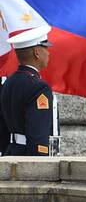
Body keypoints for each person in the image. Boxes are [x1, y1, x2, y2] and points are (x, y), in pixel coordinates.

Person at [0, 26, 59, 156]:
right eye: (45, 48)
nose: (48, 53)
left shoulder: (8, 83)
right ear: (37, 52)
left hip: (10, 154)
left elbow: (2, 129)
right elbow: (37, 135)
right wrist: (40, 163)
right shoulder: (39, 88)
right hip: (28, 158)